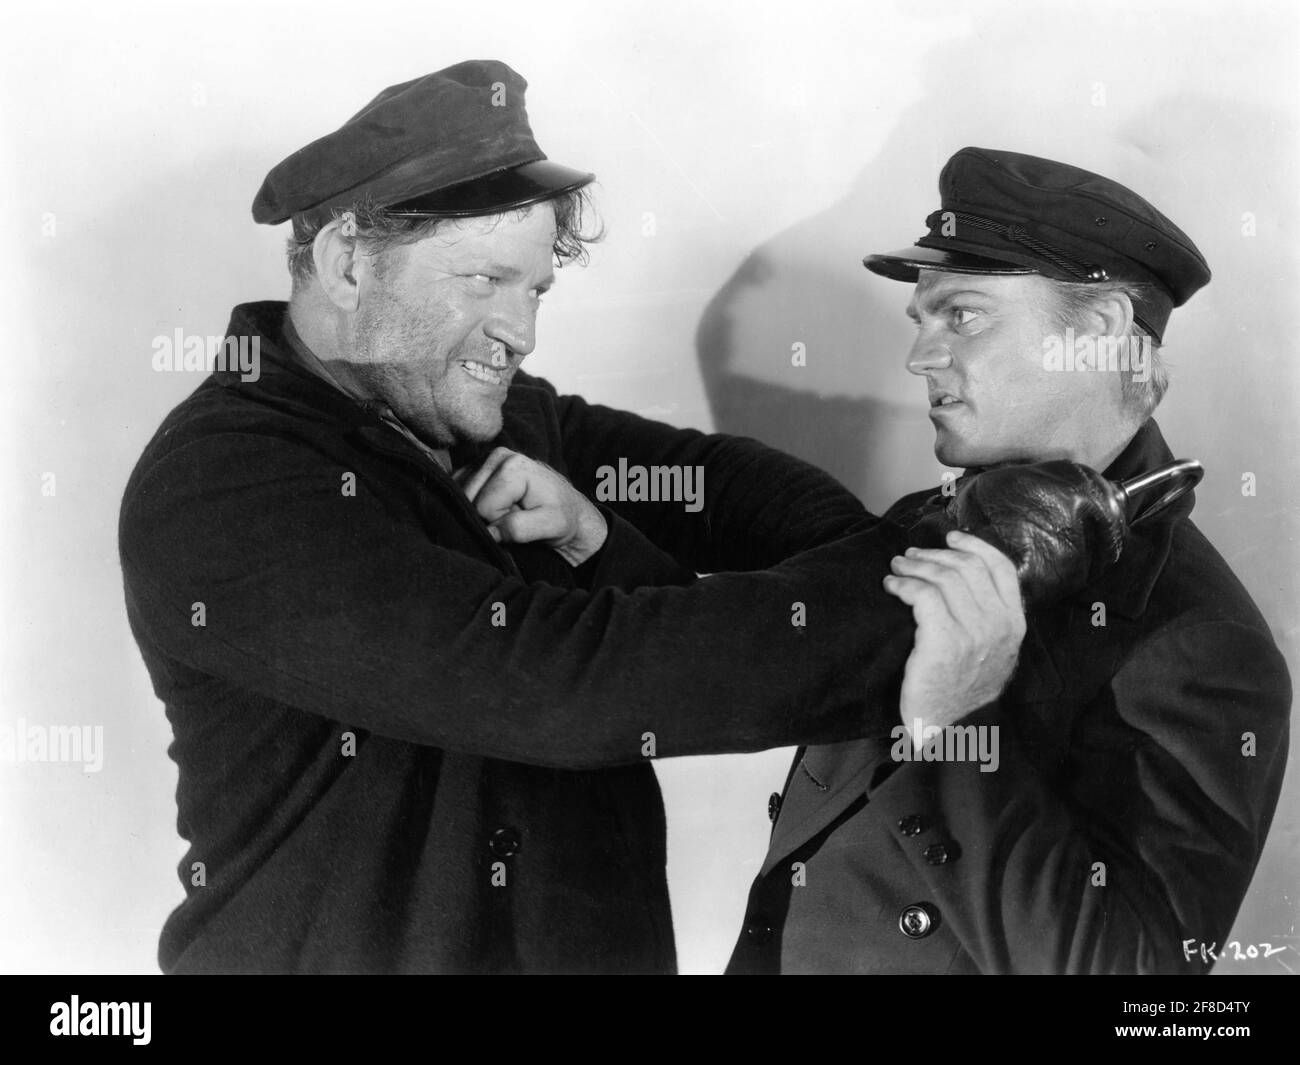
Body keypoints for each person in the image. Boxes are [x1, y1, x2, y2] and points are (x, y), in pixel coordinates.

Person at [124, 64, 1106, 973]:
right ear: (346, 262)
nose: (521, 329)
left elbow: (743, 496)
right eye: (483, 282)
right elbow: (565, 685)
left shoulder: (488, 411)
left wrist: (920, 546)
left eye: (536, 287)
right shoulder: (226, 485)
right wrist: (953, 576)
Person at [727, 147, 1291, 975]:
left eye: (964, 315)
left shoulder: (1200, 642)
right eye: (921, 321)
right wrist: (596, 541)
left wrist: (956, 728)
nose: (921, 357)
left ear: (1098, 333)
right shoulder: (937, 523)